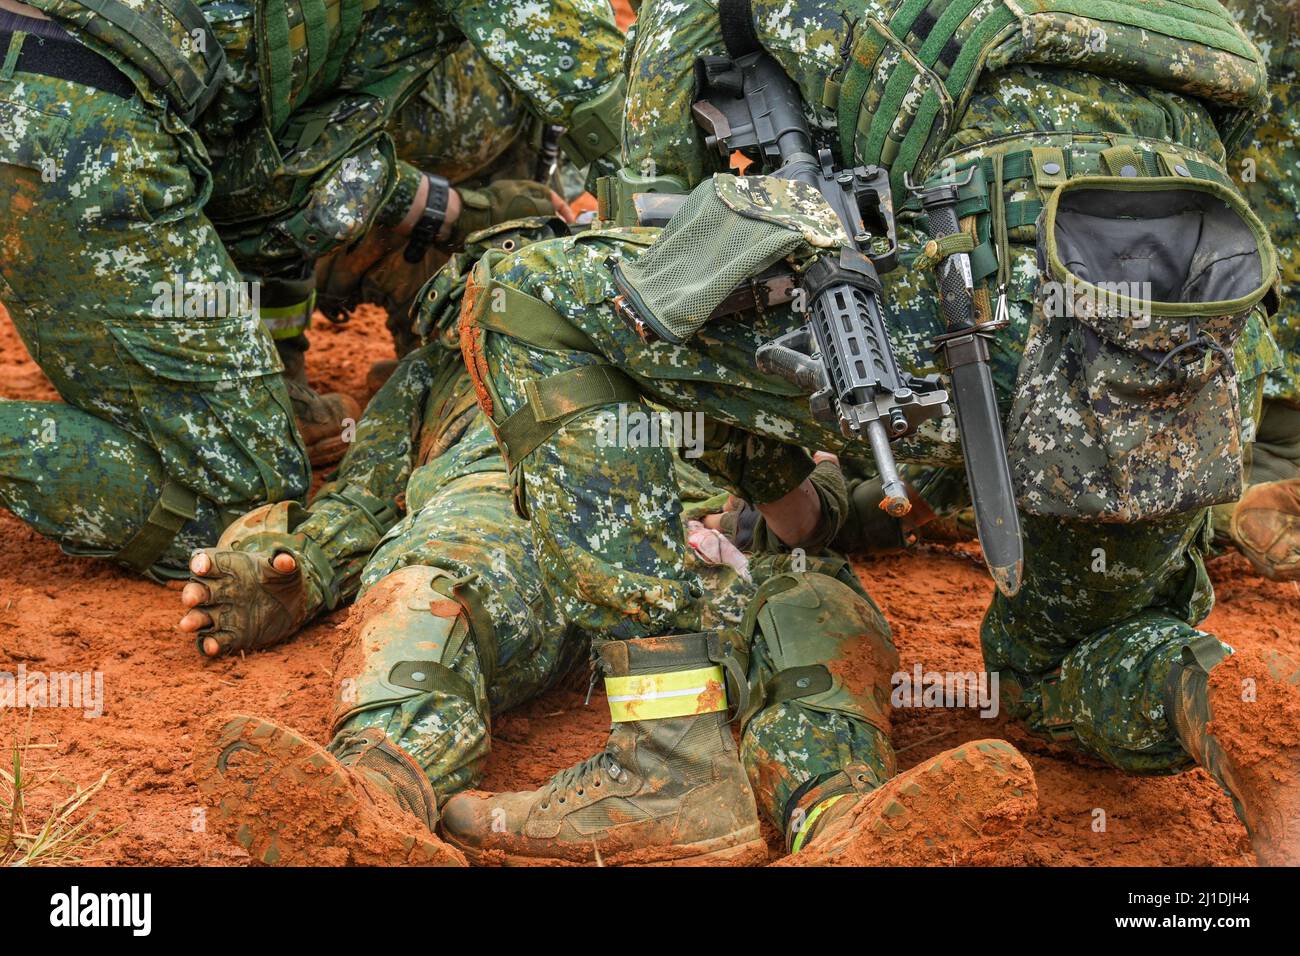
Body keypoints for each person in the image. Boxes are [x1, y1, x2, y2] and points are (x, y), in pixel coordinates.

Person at [444, 0, 1300, 866]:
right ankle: (1233, 702)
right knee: (1057, 669)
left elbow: (675, 234)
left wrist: (776, 487)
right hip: (1190, 336)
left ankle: (666, 761)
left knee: (529, 296)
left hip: (978, 307)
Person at [183, 224, 1038, 866]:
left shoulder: (662, 328)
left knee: (806, 599)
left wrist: (904, 503)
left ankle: (842, 818)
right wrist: (302, 573)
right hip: (498, 522)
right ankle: (372, 798)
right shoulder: (438, 370)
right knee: (422, 591)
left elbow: (823, 493)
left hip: (684, 524)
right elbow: (366, 496)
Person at [0, 0, 626, 577]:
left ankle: (209, 393)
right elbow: (613, 100)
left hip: (62, 94)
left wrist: (453, 210)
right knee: (243, 517)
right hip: (68, 121)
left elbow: (264, 174)